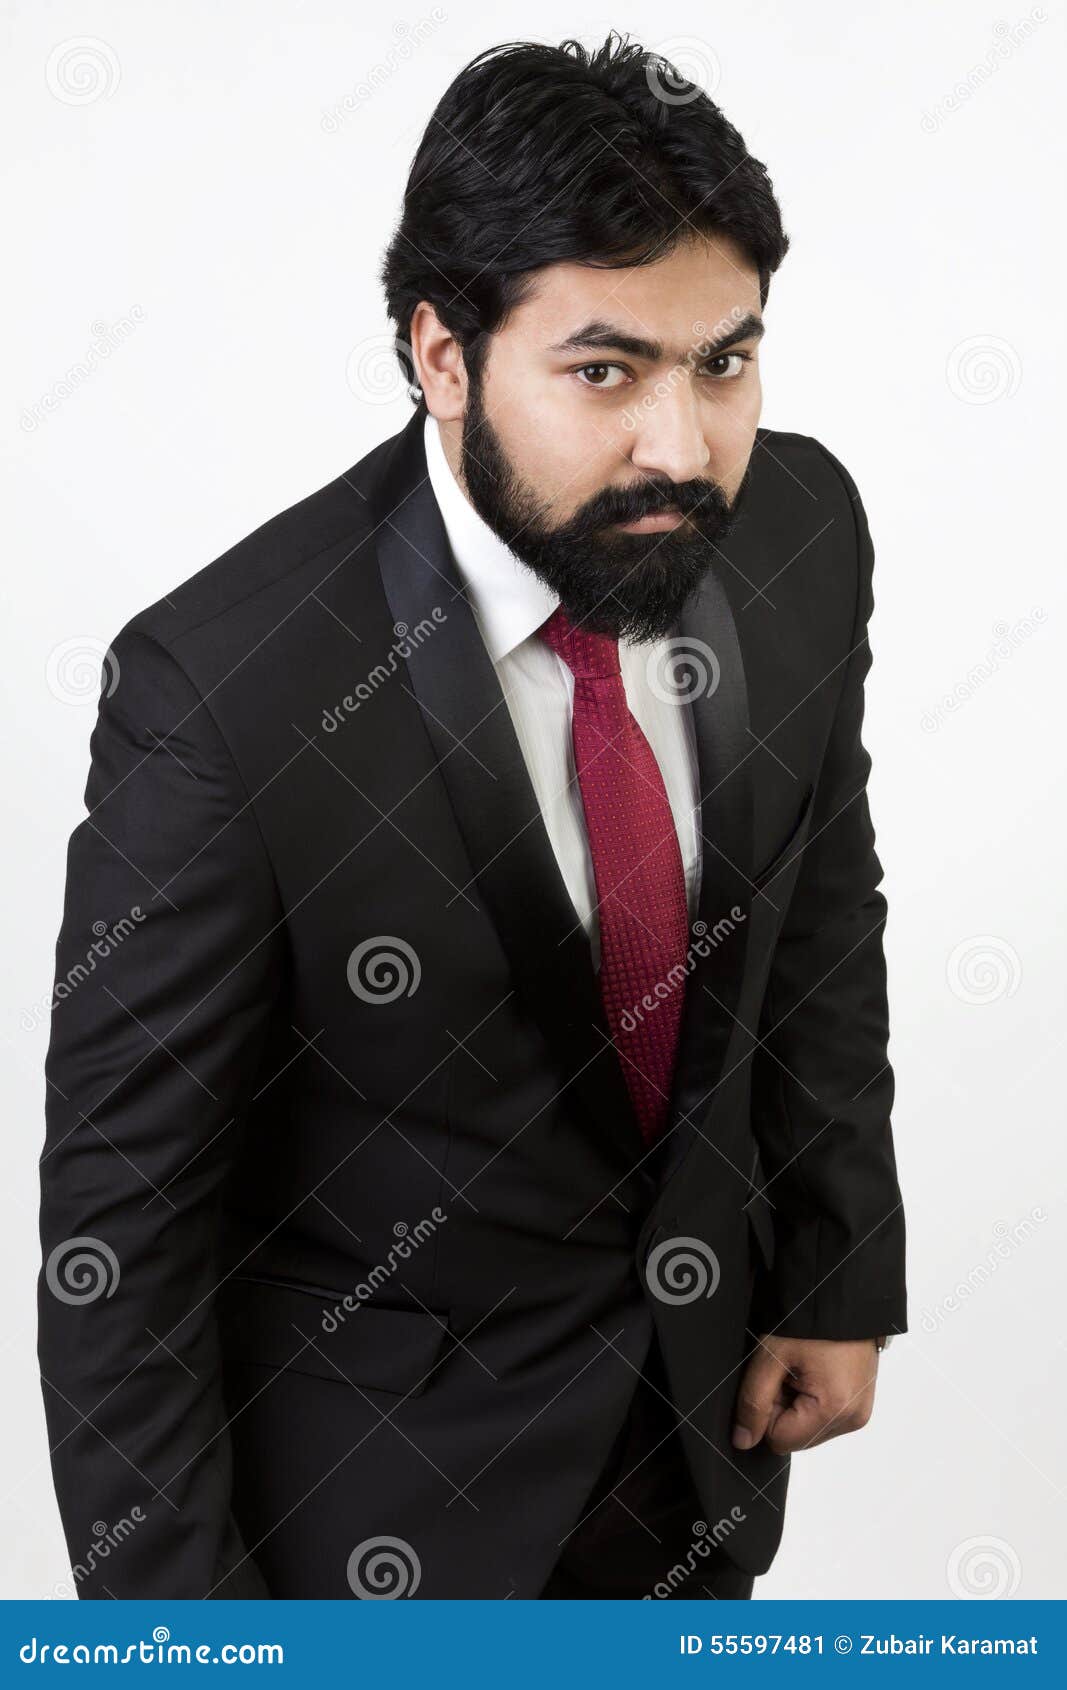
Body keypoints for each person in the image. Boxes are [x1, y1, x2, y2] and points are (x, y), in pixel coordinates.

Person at [37, 32, 906, 1600]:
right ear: (441, 354)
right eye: (604, 370)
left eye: (724, 359)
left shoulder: (802, 527)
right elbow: (122, 1236)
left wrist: (839, 1264)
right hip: (377, 1534)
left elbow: (823, 903)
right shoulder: (226, 692)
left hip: (699, 1456)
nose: (683, 444)